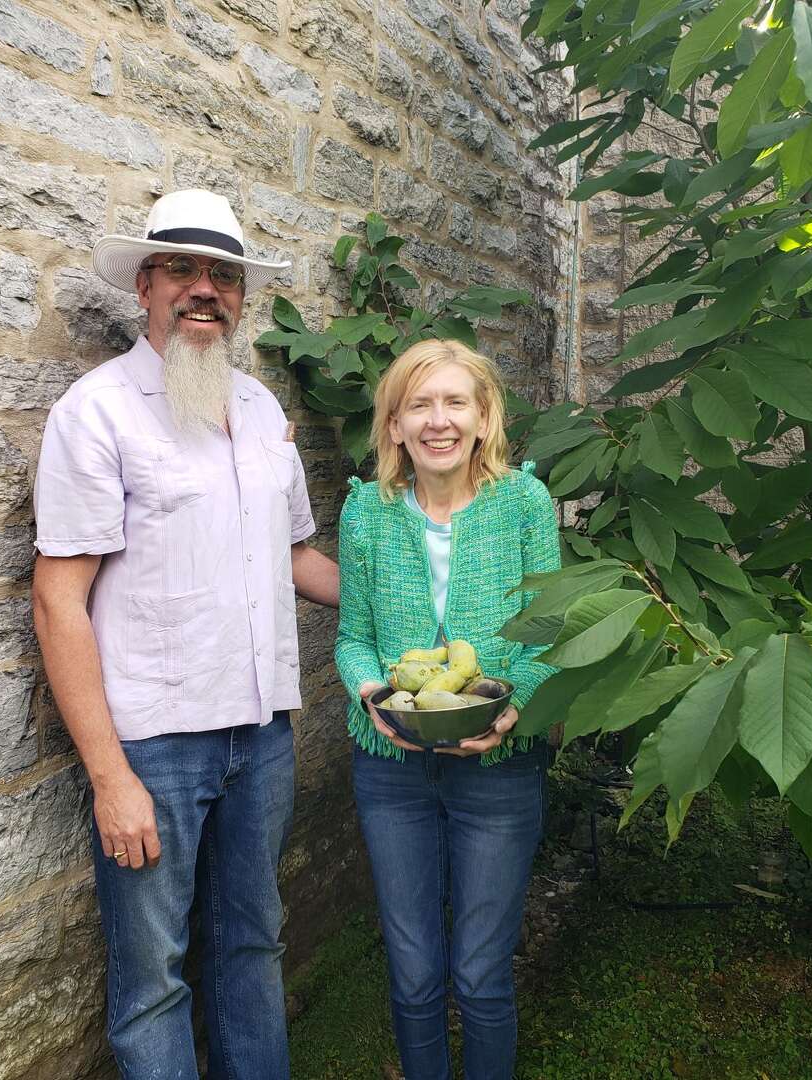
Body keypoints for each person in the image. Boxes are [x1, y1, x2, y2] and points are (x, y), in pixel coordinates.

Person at [31, 188, 339, 1080]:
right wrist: (109, 777)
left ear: (240, 297)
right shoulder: (97, 412)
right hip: (154, 748)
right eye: (182, 269)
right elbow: (57, 601)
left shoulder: (262, 411)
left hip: (262, 736)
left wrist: (405, 603)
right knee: (153, 982)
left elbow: (293, 557)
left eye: (224, 275)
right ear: (146, 286)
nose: (205, 288)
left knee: (253, 945)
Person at [334, 338, 560, 1080]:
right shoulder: (366, 511)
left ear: (484, 417)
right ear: (394, 425)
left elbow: (547, 632)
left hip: (499, 770)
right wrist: (370, 693)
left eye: (455, 402)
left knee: (481, 973)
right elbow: (354, 639)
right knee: (413, 970)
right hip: (390, 770)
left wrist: (514, 708)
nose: (439, 421)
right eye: (419, 406)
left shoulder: (523, 504)